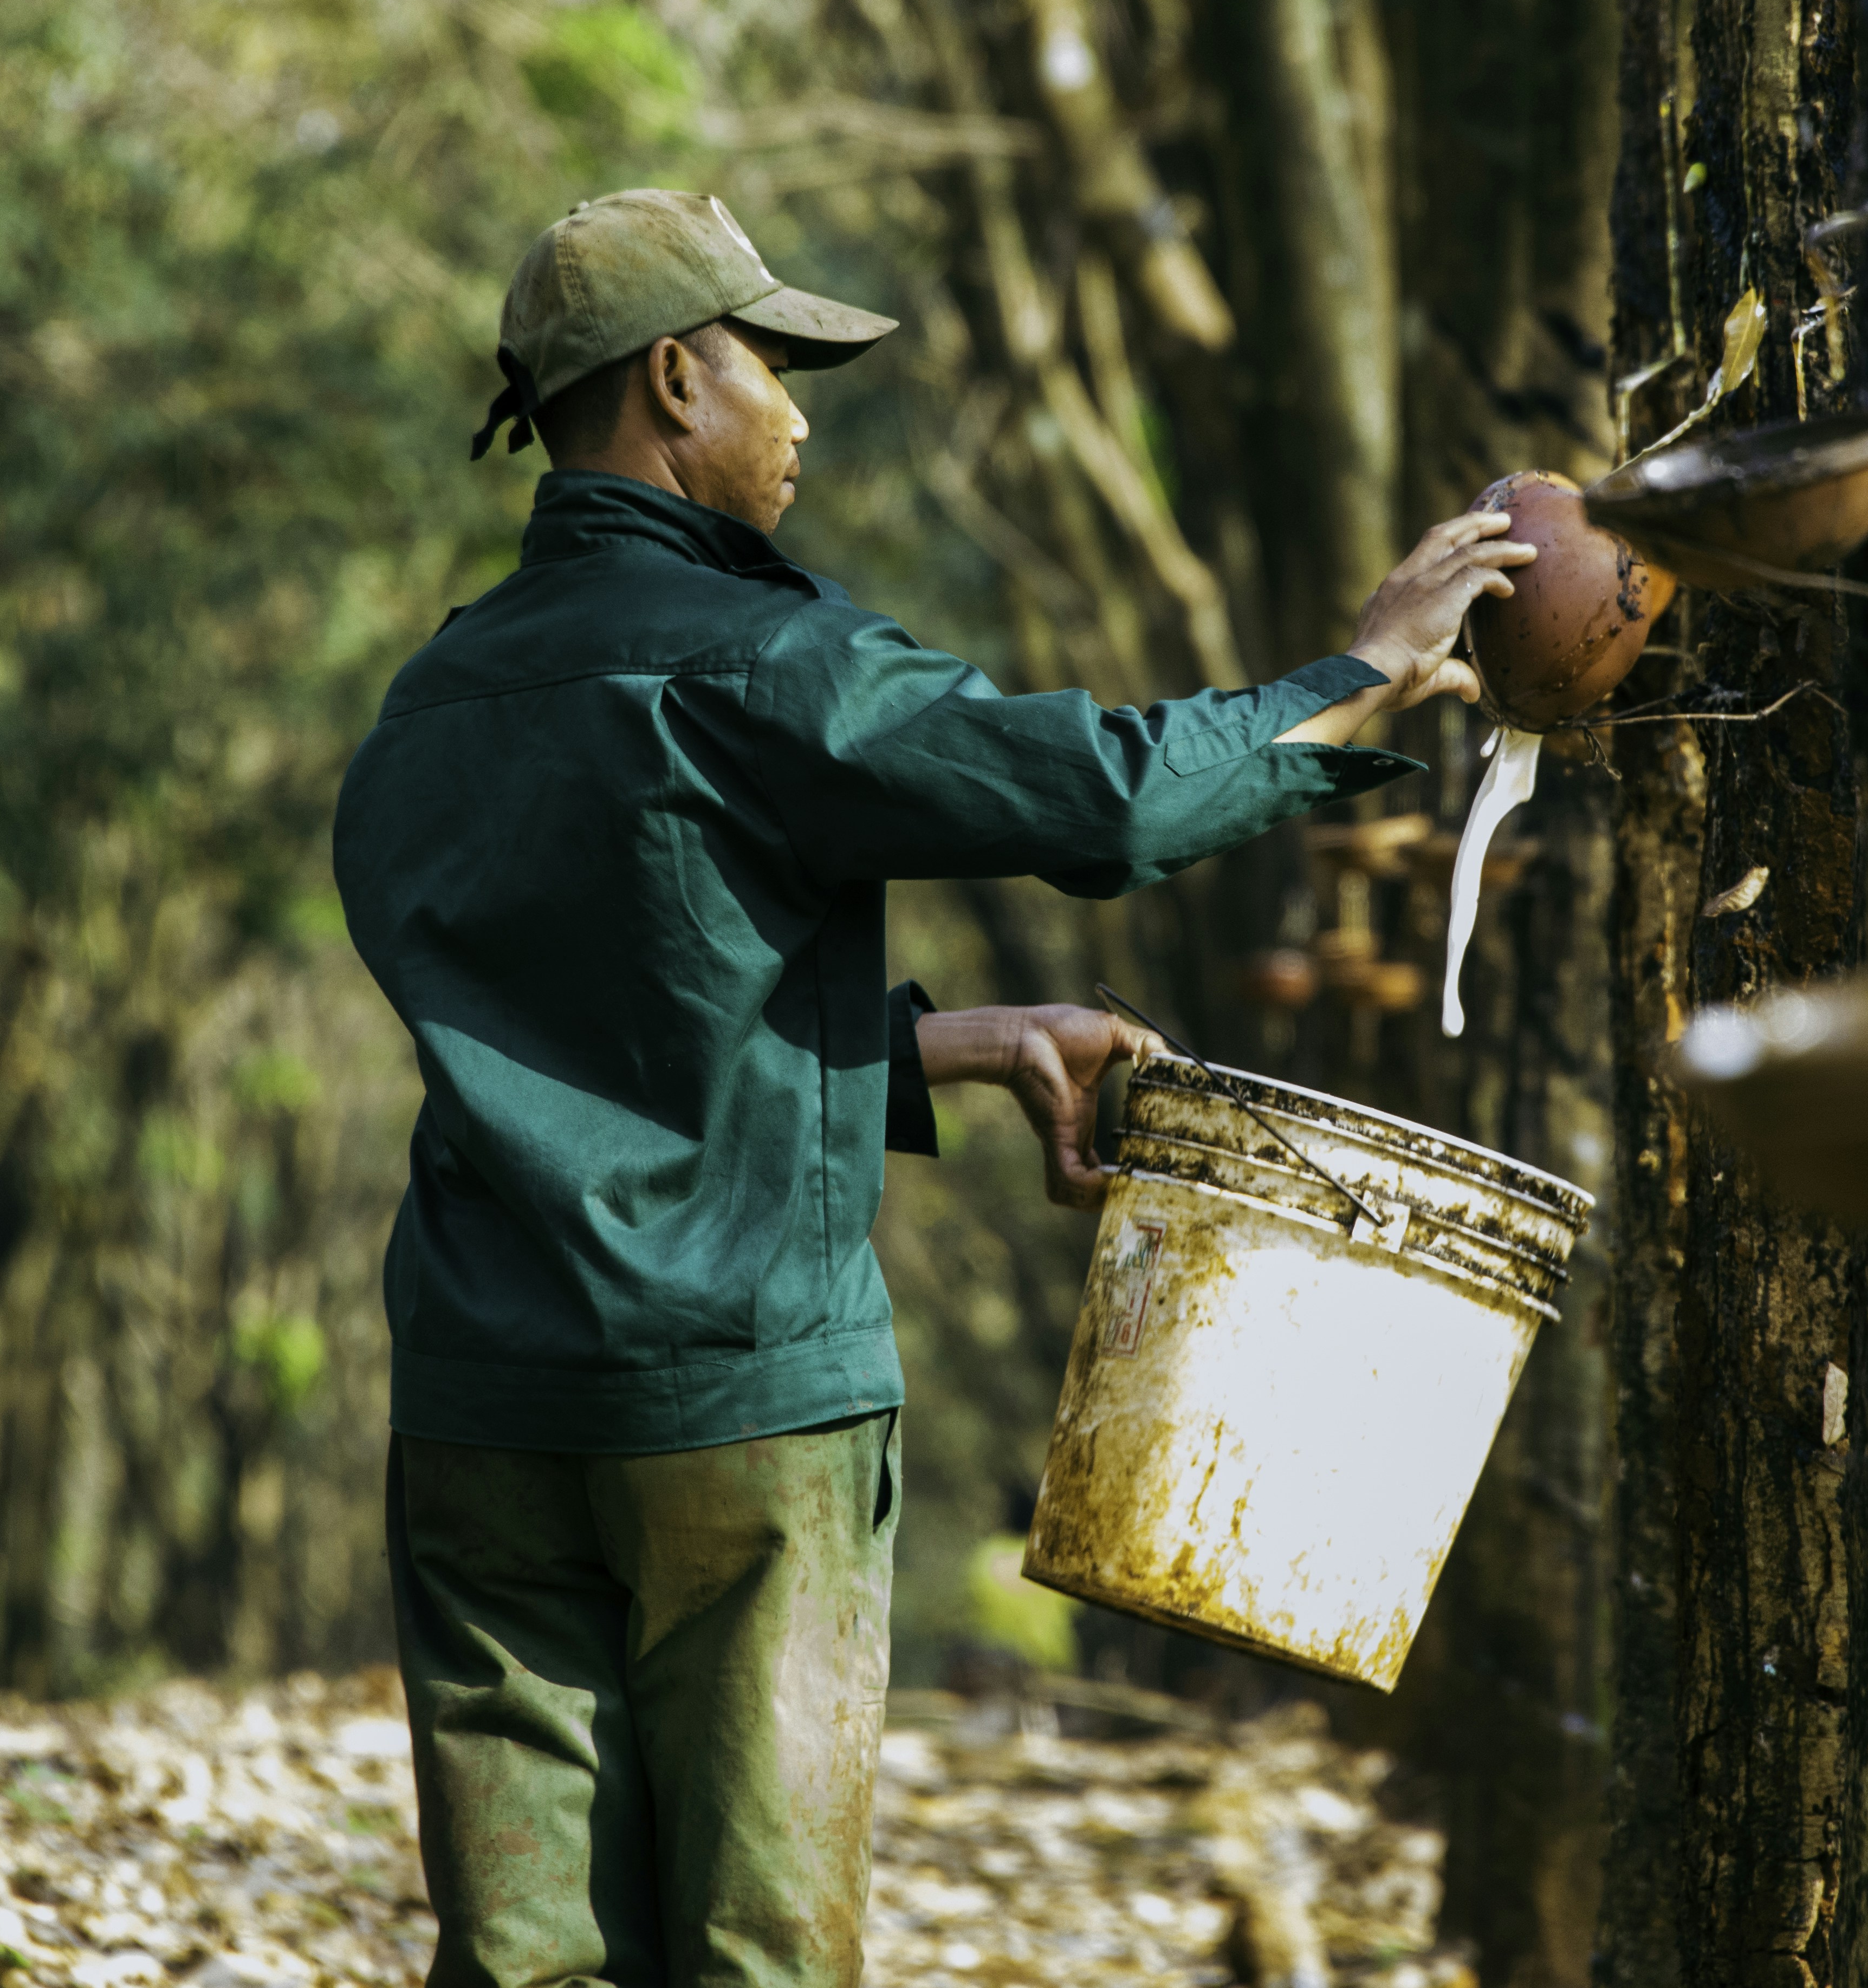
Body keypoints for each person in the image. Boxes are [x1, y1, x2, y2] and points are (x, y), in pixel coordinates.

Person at [333, 188, 1533, 1988]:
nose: (800, 415)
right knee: (758, 1957)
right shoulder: (762, 660)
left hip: (484, 1416)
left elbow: (612, 1032)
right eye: (774, 367)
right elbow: (1103, 797)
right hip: (740, 1410)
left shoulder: (426, 707)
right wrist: (1355, 676)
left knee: (522, 1963)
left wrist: (952, 1045)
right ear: (673, 379)